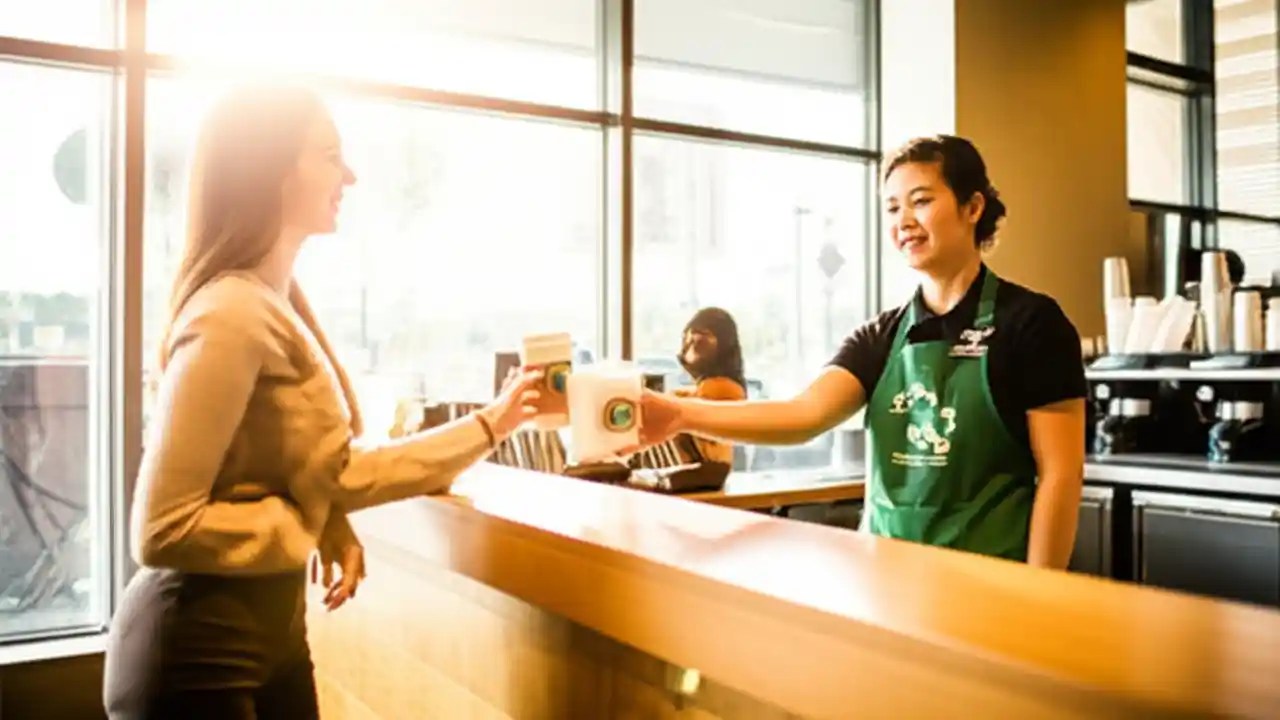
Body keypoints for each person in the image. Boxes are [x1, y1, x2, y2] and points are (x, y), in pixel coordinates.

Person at [102, 84, 541, 719]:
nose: (351, 176)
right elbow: (162, 528)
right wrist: (308, 524)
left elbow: (301, 468)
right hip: (195, 647)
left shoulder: (271, 301)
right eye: (331, 155)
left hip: (273, 633)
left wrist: (331, 518)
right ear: (272, 170)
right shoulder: (230, 313)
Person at [634, 135, 1086, 569]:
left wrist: (1039, 588)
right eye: (892, 207)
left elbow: (1060, 477)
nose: (903, 220)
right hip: (890, 583)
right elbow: (802, 415)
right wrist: (679, 414)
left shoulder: (1032, 325)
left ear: (973, 207)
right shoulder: (881, 337)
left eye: (921, 201)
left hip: (994, 589)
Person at [671, 307, 747, 465]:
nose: (693, 340)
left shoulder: (719, 388)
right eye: (691, 333)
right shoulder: (715, 387)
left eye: (702, 335)